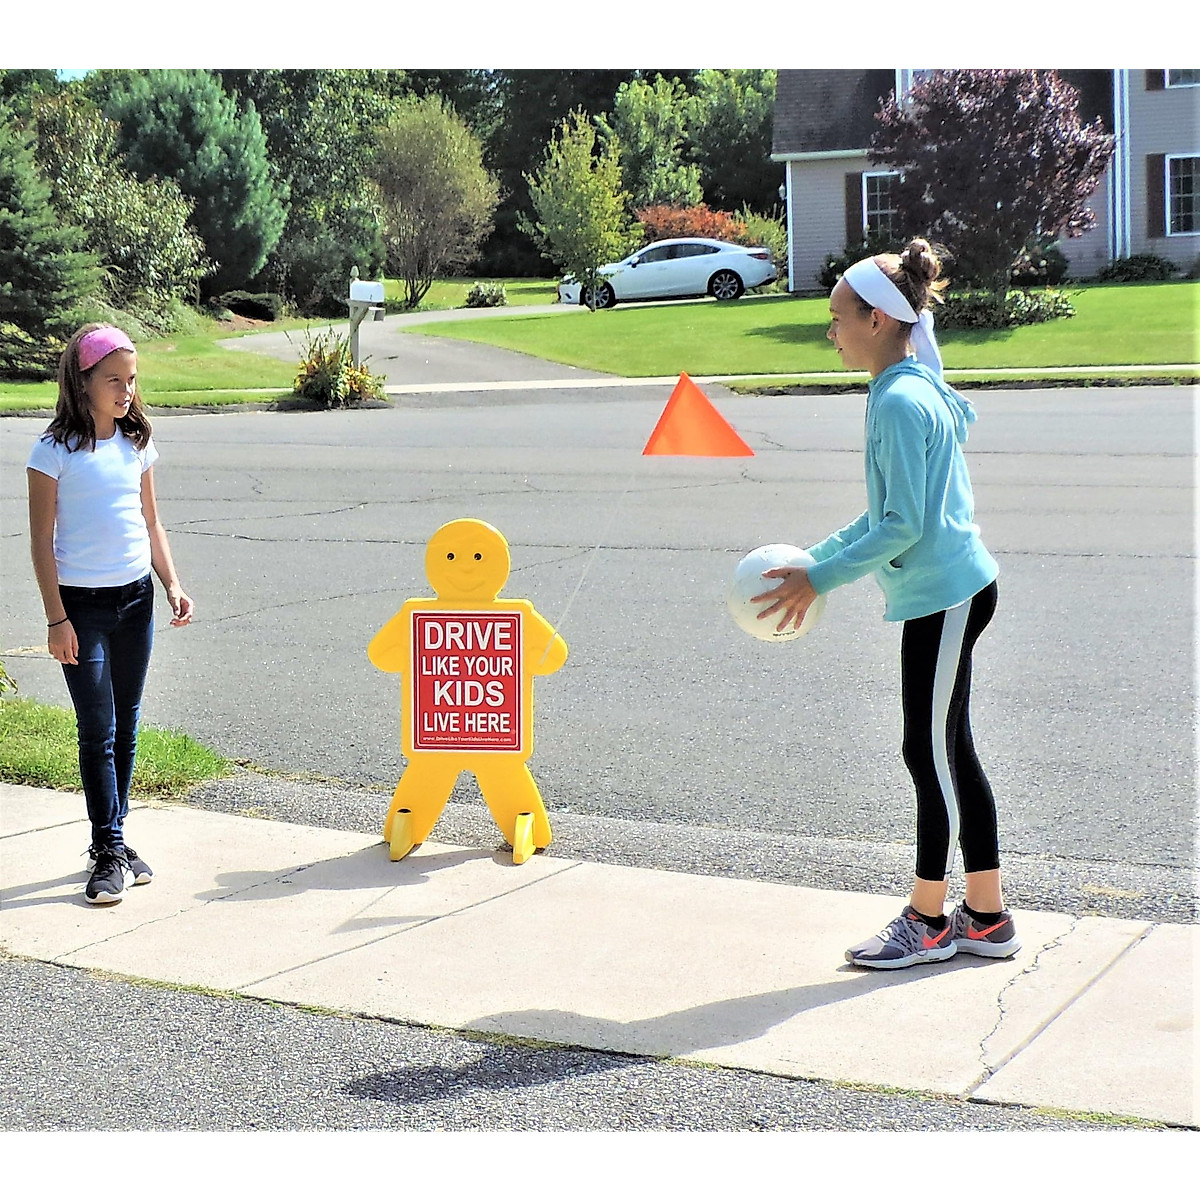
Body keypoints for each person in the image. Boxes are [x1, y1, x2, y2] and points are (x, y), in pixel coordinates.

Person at [753, 239, 1021, 969]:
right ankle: (987, 917)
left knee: (927, 753)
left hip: (945, 597)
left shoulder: (902, 400)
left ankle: (929, 921)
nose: (829, 331)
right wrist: (816, 559)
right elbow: (884, 516)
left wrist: (824, 579)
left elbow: (904, 525)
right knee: (949, 750)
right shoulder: (899, 388)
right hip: (946, 592)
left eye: (836, 317)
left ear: (876, 320)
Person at [27, 323, 193, 905]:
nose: (126, 391)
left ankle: (115, 841)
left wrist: (171, 583)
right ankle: (106, 850)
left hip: (134, 601)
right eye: (113, 381)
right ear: (83, 381)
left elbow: (151, 522)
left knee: (127, 722)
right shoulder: (52, 452)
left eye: (132, 380)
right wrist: (56, 620)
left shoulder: (137, 441)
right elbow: (40, 541)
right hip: (81, 609)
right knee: (97, 729)